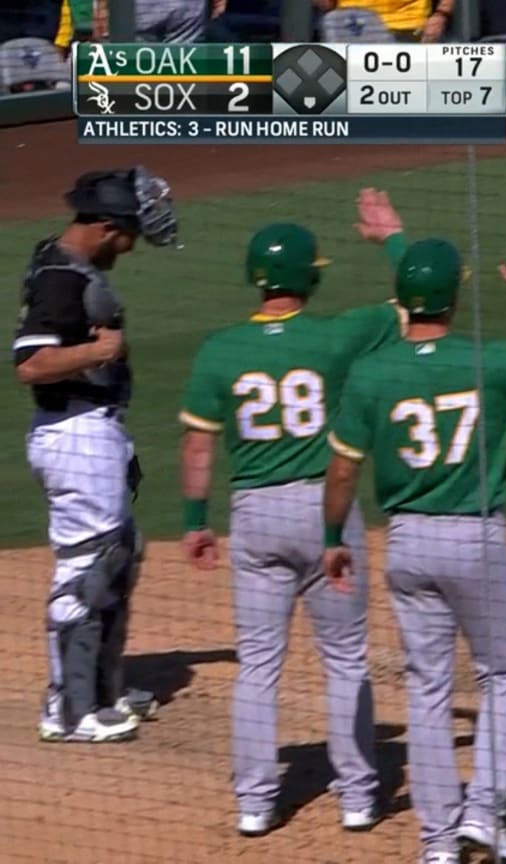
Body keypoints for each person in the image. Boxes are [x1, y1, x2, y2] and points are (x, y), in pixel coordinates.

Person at [322, 198, 506, 864]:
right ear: (455, 297)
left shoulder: (372, 372)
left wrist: (332, 538)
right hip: (474, 540)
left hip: (406, 545)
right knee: (505, 674)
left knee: (428, 687)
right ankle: (484, 815)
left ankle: (438, 843)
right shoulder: (488, 361)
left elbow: (342, 470)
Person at [177, 211, 408, 836]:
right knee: (345, 659)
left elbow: (198, 445)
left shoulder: (220, 349)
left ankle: (255, 804)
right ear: (309, 277)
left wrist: (196, 522)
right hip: (324, 510)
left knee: (258, 665)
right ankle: (357, 797)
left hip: (255, 516)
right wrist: (391, 236)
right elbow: (420, 298)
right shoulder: (338, 337)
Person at [12, 166, 178, 744]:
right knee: (87, 566)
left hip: (92, 430)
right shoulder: (60, 278)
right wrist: (99, 351)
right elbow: (31, 364)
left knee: (120, 553)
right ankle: (69, 709)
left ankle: (104, 690)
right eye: (129, 235)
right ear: (107, 227)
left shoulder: (64, 261)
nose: (130, 247)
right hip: (74, 432)